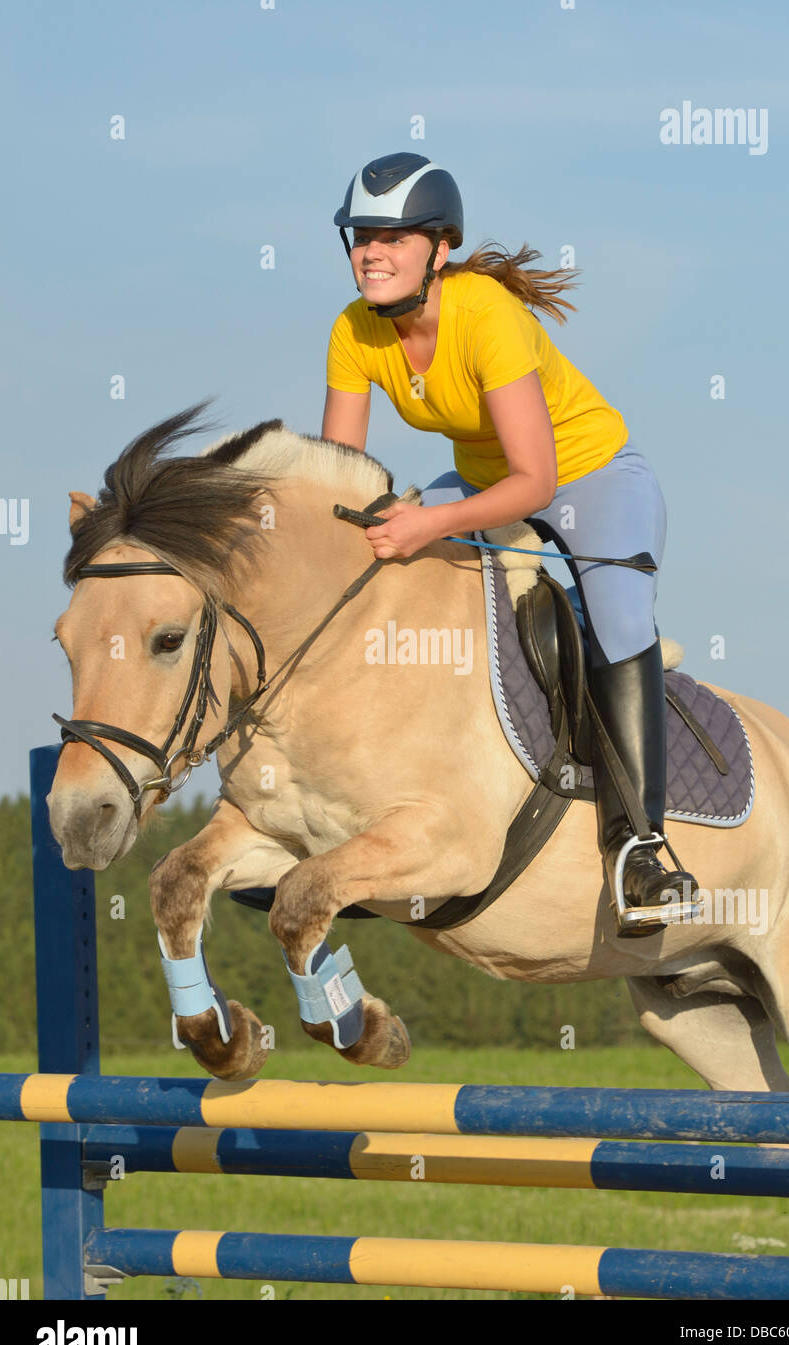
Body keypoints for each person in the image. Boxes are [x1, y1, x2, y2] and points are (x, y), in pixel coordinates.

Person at [323, 152, 698, 937]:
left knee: (621, 621)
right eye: (362, 235)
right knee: (369, 563)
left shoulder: (485, 312)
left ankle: (644, 849)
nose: (372, 251)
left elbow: (534, 484)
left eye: (394, 236)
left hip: (590, 475)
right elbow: (342, 481)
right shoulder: (352, 332)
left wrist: (424, 521)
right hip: (485, 482)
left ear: (441, 248)